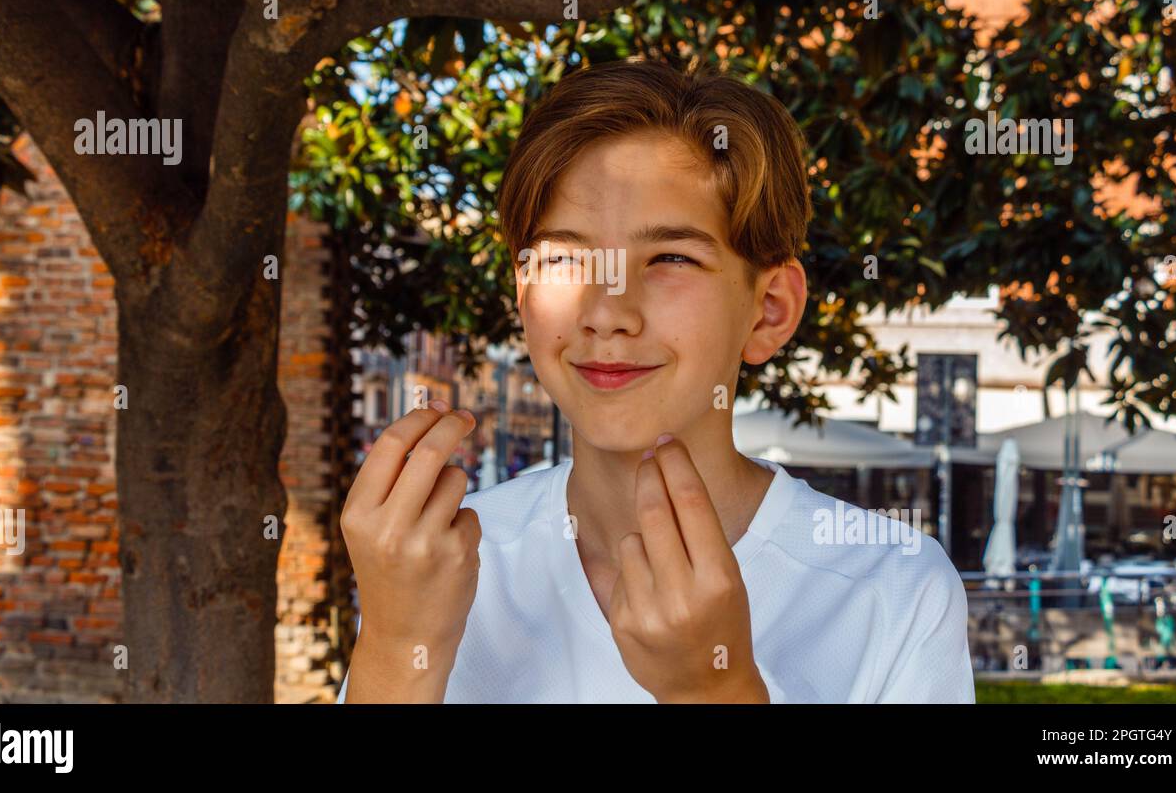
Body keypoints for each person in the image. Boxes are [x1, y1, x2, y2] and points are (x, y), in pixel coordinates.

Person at [337, 59, 975, 703]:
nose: (608, 312)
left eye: (672, 258)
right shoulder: (433, 568)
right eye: (563, 257)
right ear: (524, 295)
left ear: (770, 309)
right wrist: (394, 650)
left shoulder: (892, 589)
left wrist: (715, 690)